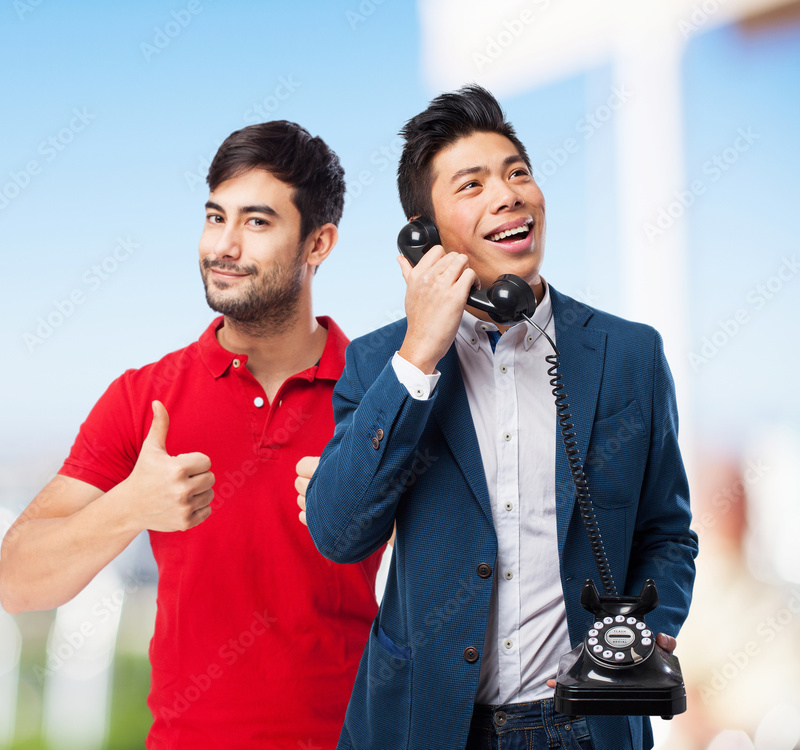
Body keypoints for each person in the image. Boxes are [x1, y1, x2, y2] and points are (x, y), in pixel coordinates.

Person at [299, 85, 698, 750]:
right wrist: (419, 354)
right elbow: (339, 533)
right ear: (425, 235)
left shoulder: (630, 354)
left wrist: (649, 627)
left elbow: (668, 532)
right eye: (472, 184)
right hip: (428, 726)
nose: (508, 194)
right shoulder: (379, 363)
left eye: (518, 173)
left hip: (587, 726)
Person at [0, 120, 385, 749]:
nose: (223, 246)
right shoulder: (144, 398)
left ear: (319, 243)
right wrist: (130, 506)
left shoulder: (378, 398)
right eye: (215, 217)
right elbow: (18, 583)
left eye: (256, 222)